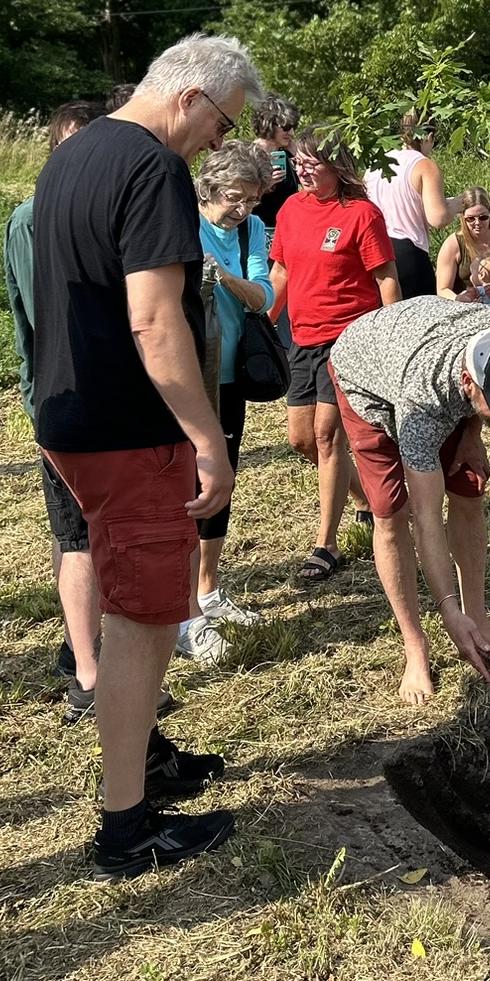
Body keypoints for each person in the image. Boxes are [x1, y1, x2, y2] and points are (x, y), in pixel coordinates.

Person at [33, 32, 262, 881]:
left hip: (68, 411)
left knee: (134, 588)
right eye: (221, 126)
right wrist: (207, 438)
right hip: (128, 425)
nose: (215, 145)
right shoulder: (153, 168)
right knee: (143, 616)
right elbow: (154, 319)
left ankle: (147, 755)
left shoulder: (76, 152)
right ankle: (124, 825)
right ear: (191, 98)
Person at [329, 297, 490, 704]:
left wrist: (473, 431)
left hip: (420, 349)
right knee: (392, 513)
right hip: (364, 370)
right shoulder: (423, 403)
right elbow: (427, 520)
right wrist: (447, 610)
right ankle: (415, 646)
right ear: (467, 383)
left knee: (468, 486)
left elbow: (482, 393)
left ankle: (477, 616)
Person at [5, 97, 107, 719]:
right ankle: (86, 673)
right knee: (77, 537)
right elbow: (51, 320)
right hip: (66, 397)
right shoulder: (32, 219)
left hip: (112, 400)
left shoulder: (104, 209)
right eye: (71, 143)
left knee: (97, 536)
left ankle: (84, 649)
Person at [271, 133, 401, 584]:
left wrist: (389, 337)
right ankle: (363, 497)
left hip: (348, 338)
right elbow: (282, 271)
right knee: (302, 440)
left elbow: (386, 279)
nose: (303, 170)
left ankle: (326, 545)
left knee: (328, 436)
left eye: (312, 164)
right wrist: (264, 321)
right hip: (301, 338)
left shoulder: (361, 214)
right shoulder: (290, 209)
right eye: (299, 163)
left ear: (336, 166)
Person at [180, 140, 274, 662]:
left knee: (221, 479)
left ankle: (208, 589)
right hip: (186, 374)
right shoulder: (181, 222)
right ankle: (181, 605)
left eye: (253, 200)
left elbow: (265, 296)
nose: (242, 210)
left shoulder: (251, 232)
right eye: (235, 198)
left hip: (231, 374)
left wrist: (227, 279)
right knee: (183, 482)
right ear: (209, 189)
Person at [364, 113, 465, 299]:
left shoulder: (376, 164)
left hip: (375, 249)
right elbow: (438, 218)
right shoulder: (424, 165)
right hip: (407, 252)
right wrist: (458, 204)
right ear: (429, 137)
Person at [252, 96, 301, 232]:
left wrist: (298, 154)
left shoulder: (287, 155)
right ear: (269, 124)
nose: (292, 133)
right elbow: (236, 199)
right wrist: (264, 186)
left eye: (293, 127)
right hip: (257, 232)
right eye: (286, 127)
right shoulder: (248, 155)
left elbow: (314, 185)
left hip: (286, 230)